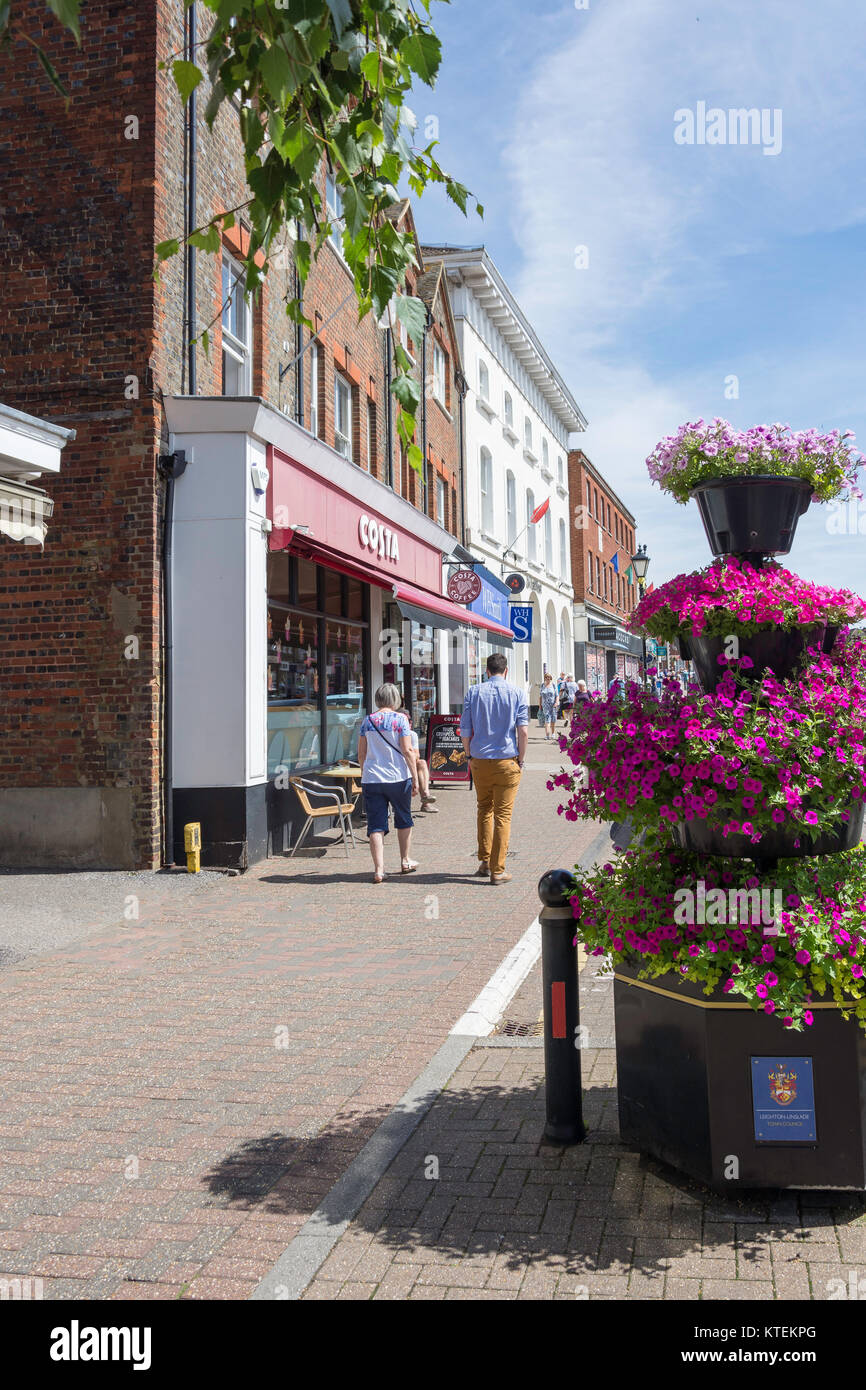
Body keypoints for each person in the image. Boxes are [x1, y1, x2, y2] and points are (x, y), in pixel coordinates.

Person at [460, 653, 529, 885]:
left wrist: (469, 755)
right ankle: (497, 871)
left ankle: (484, 861)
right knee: (503, 815)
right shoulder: (518, 693)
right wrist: (521, 758)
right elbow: (523, 731)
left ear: (487, 671)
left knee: (484, 809)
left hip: (480, 760)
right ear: (506, 671)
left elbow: (465, 730)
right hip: (507, 759)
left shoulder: (473, 692)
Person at [357, 684, 419, 884]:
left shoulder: (367, 721)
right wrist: (415, 778)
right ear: (395, 700)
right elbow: (408, 751)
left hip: (373, 778)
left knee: (375, 825)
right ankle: (405, 860)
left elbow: (361, 754)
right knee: (403, 819)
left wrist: (364, 772)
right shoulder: (401, 720)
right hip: (398, 778)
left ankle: (379, 869)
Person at [407, 719, 438, 813]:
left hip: (409, 762)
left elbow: (417, 755)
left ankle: (425, 796)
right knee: (418, 765)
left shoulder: (412, 735)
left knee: (422, 763)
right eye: (406, 721)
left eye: (409, 721)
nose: (409, 724)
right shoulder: (393, 734)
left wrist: (409, 756)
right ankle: (425, 801)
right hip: (396, 765)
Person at [539, 671, 559, 740]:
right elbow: (540, 696)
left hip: (553, 705)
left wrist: (556, 702)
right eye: (546, 677)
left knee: (553, 720)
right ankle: (547, 735)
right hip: (545, 706)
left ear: (551, 678)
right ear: (544, 678)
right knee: (547, 720)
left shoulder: (553, 685)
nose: (548, 679)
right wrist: (540, 706)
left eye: (549, 677)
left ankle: (553, 733)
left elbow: (557, 695)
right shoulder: (542, 685)